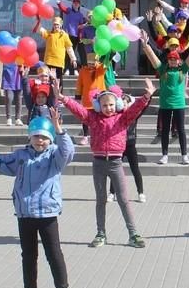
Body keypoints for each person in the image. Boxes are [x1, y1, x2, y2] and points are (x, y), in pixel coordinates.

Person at [0, 108, 79, 288]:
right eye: (36, 137)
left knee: (54, 253)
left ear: (50, 139)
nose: (40, 141)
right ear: (30, 137)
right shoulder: (22, 155)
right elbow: (3, 162)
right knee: (28, 254)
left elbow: (68, 152)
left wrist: (59, 130)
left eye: (44, 138)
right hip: (25, 213)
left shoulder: (54, 157)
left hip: (47, 213)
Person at [56, 79, 154, 249]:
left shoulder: (123, 118)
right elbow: (79, 110)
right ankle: (101, 233)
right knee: (100, 200)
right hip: (99, 163)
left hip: (116, 163)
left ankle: (133, 234)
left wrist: (147, 96)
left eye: (110, 104)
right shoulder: (93, 118)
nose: (108, 108)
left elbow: (136, 108)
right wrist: (63, 98)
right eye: (104, 105)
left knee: (124, 200)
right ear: (98, 106)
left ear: (116, 104)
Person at [139, 29, 189, 165]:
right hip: (165, 104)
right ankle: (165, 155)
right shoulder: (162, 70)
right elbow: (152, 57)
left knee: (181, 130)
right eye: (171, 59)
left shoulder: (183, 70)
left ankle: (184, 155)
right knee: (165, 130)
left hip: (179, 104)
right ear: (168, 60)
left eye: (175, 59)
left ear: (178, 61)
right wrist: (145, 45)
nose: (173, 61)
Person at [109, 91, 150, 203]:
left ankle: (141, 193)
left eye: (126, 103)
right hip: (118, 147)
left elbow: (143, 107)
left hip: (131, 146)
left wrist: (149, 95)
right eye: (122, 103)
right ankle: (112, 193)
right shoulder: (116, 117)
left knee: (135, 169)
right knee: (115, 170)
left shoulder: (134, 115)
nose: (124, 105)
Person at [36, 16, 77, 82]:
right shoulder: (49, 34)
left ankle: (58, 92)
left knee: (58, 81)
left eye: (57, 24)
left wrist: (73, 59)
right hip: (49, 61)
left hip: (59, 63)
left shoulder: (64, 35)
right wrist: (38, 21)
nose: (56, 26)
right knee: (48, 80)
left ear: (60, 25)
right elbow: (40, 30)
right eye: (54, 24)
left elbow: (69, 48)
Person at [59, 0, 86, 74]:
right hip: (69, 35)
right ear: (72, 4)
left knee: (74, 53)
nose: (76, 4)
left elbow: (81, 26)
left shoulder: (80, 15)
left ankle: (74, 70)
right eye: (74, 3)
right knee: (68, 52)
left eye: (77, 3)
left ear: (79, 4)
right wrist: (59, 4)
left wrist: (80, 36)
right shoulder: (69, 11)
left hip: (76, 36)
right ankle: (67, 69)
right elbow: (63, 9)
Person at [1, 62, 24, 127]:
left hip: (18, 74)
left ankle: (18, 118)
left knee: (19, 98)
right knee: (9, 97)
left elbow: (25, 56)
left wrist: (23, 66)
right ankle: (9, 118)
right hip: (8, 73)